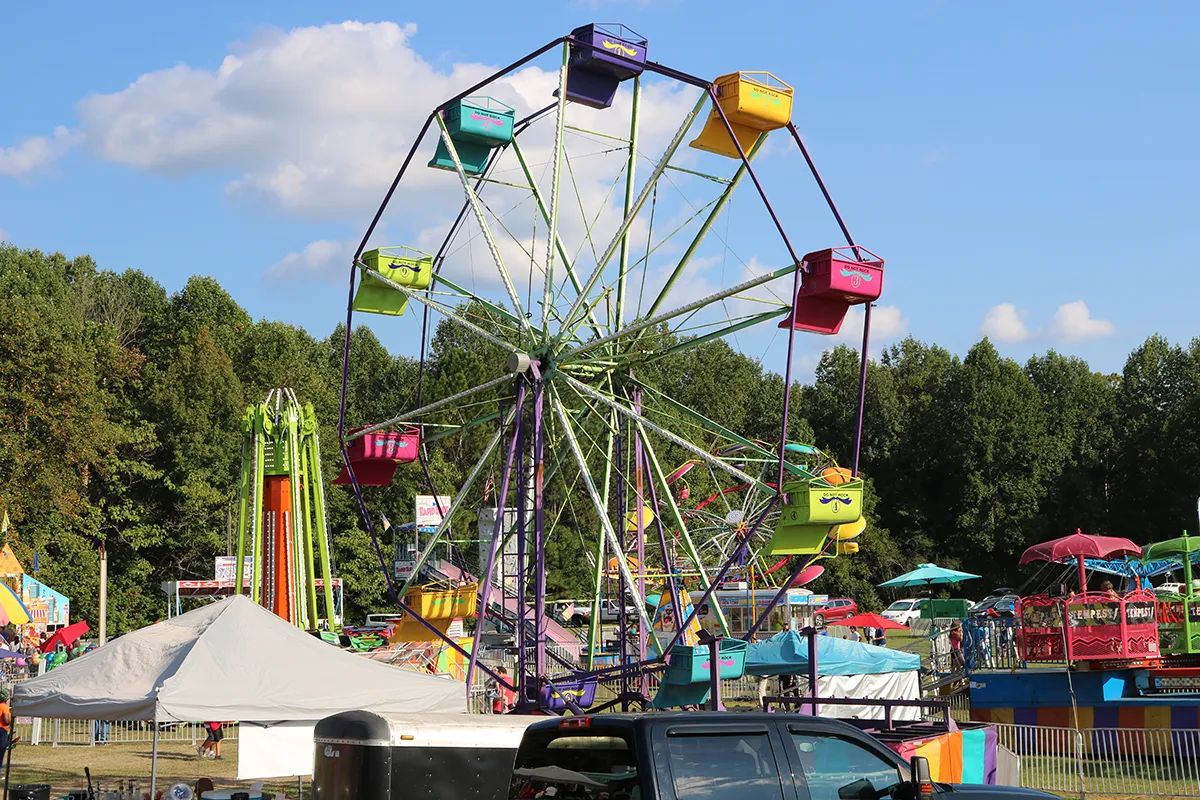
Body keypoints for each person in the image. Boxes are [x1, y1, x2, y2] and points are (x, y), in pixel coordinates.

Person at [0, 689, 11, 772]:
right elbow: (6, 721)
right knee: (1, 751)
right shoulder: (4, 706)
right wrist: (12, 719)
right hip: (2, 730)